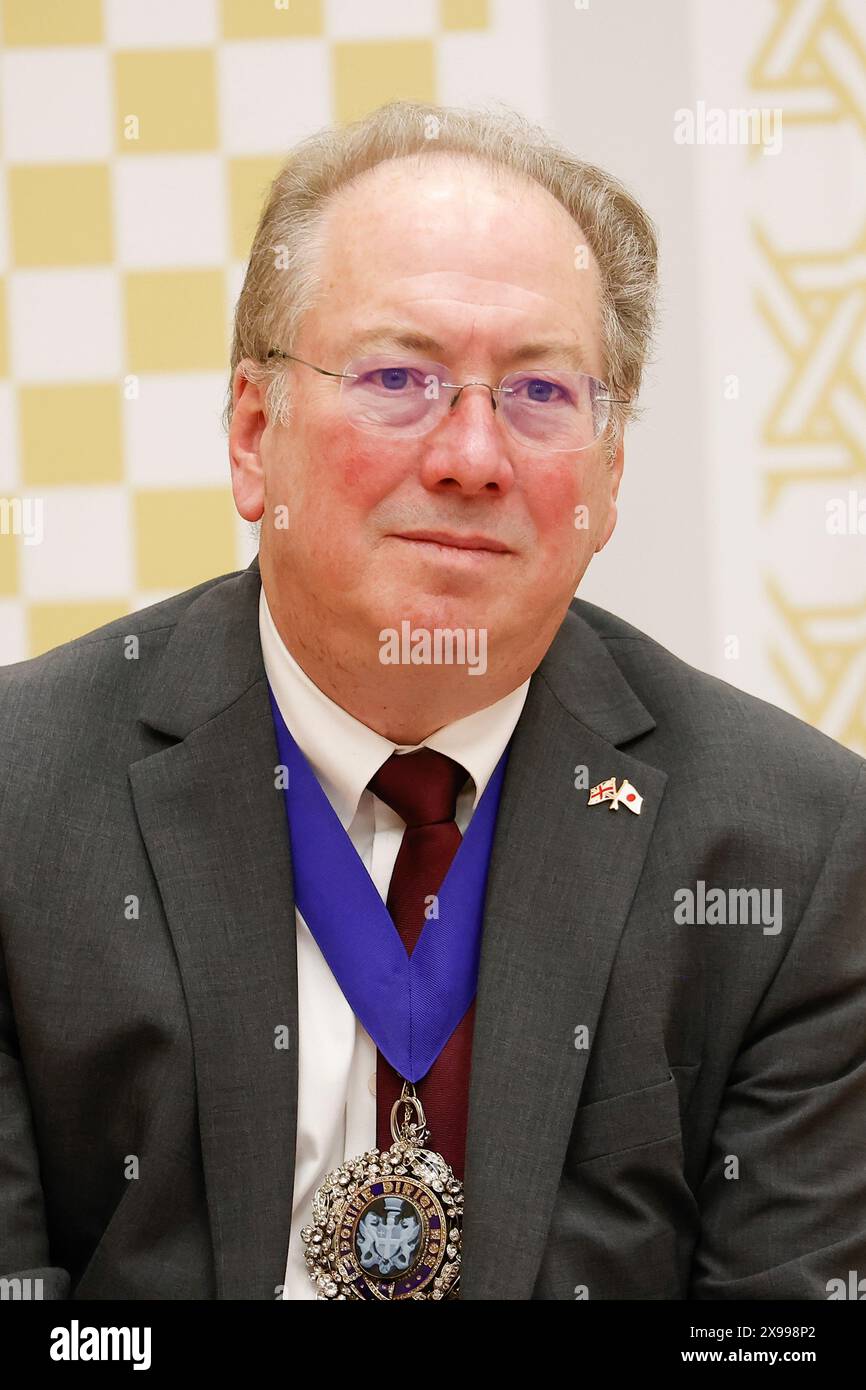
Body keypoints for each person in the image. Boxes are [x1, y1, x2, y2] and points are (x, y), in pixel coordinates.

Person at [1, 100, 864, 1302]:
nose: (471, 455)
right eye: (398, 376)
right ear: (254, 434)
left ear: (607, 479)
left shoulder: (796, 847)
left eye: (541, 394)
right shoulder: (19, 799)